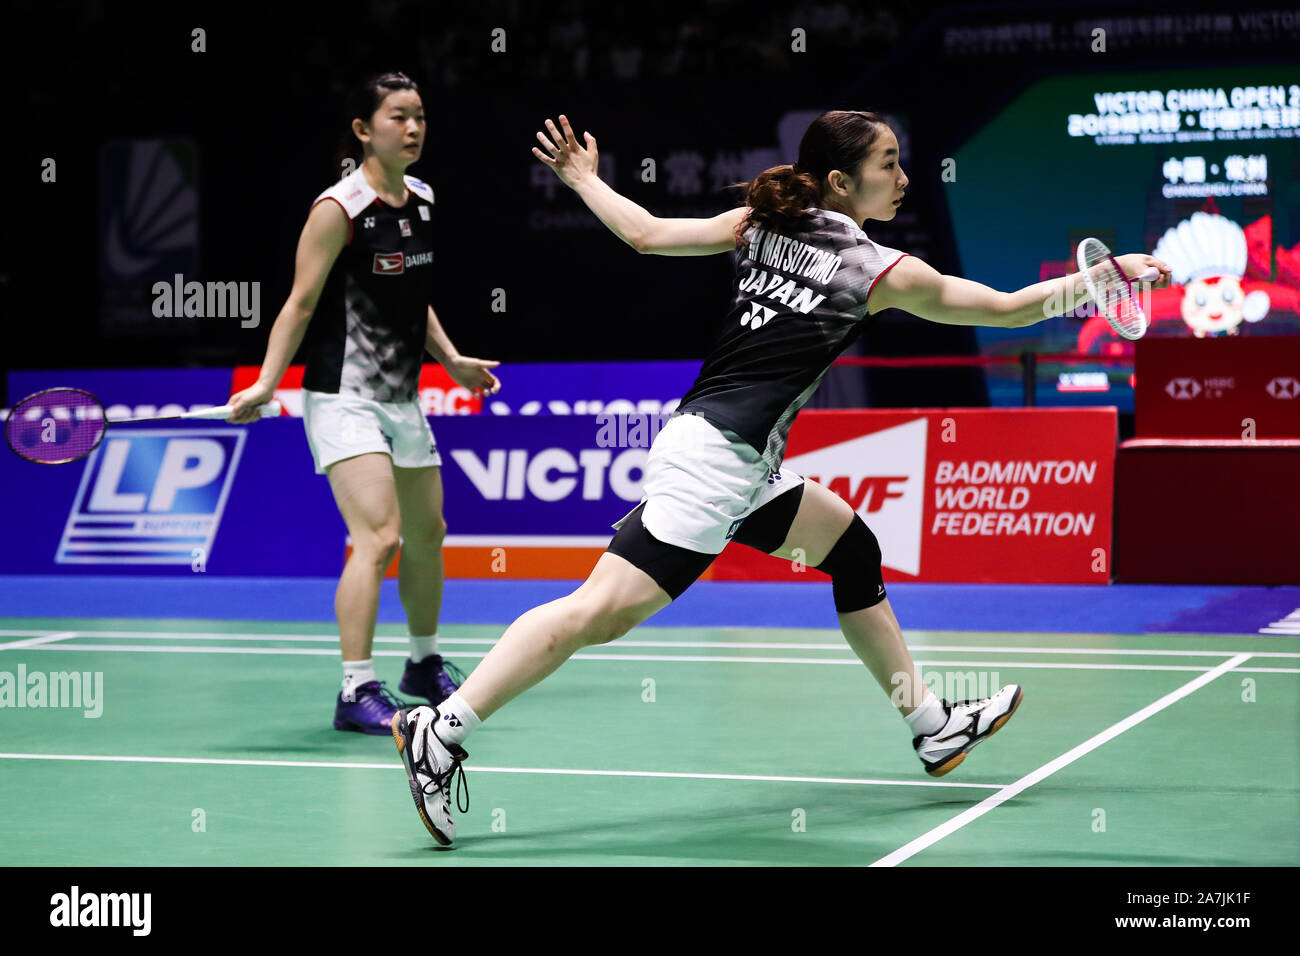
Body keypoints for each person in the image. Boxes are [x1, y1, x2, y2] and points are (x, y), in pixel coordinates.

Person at [391, 110, 1172, 844]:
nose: (904, 178)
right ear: (841, 181)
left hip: (735, 458)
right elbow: (1004, 310)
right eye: (888, 165)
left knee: (851, 550)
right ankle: (441, 729)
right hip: (712, 468)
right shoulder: (874, 268)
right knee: (597, 612)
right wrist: (1103, 283)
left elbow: (647, 235)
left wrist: (583, 180)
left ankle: (930, 725)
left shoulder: (764, 223)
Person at [227, 72, 501, 734]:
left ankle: (421, 663)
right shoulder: (338, 209)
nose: (413, 128)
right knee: (376, 538)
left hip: (402, 397)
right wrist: (268, 381)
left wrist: (453, 358)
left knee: (429, 533)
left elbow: (412, 299)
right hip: (341, 394)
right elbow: (299, 302)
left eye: (421, 117)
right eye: (398, 117)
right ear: (363, 130)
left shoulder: (424, 199)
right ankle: (355, 689)